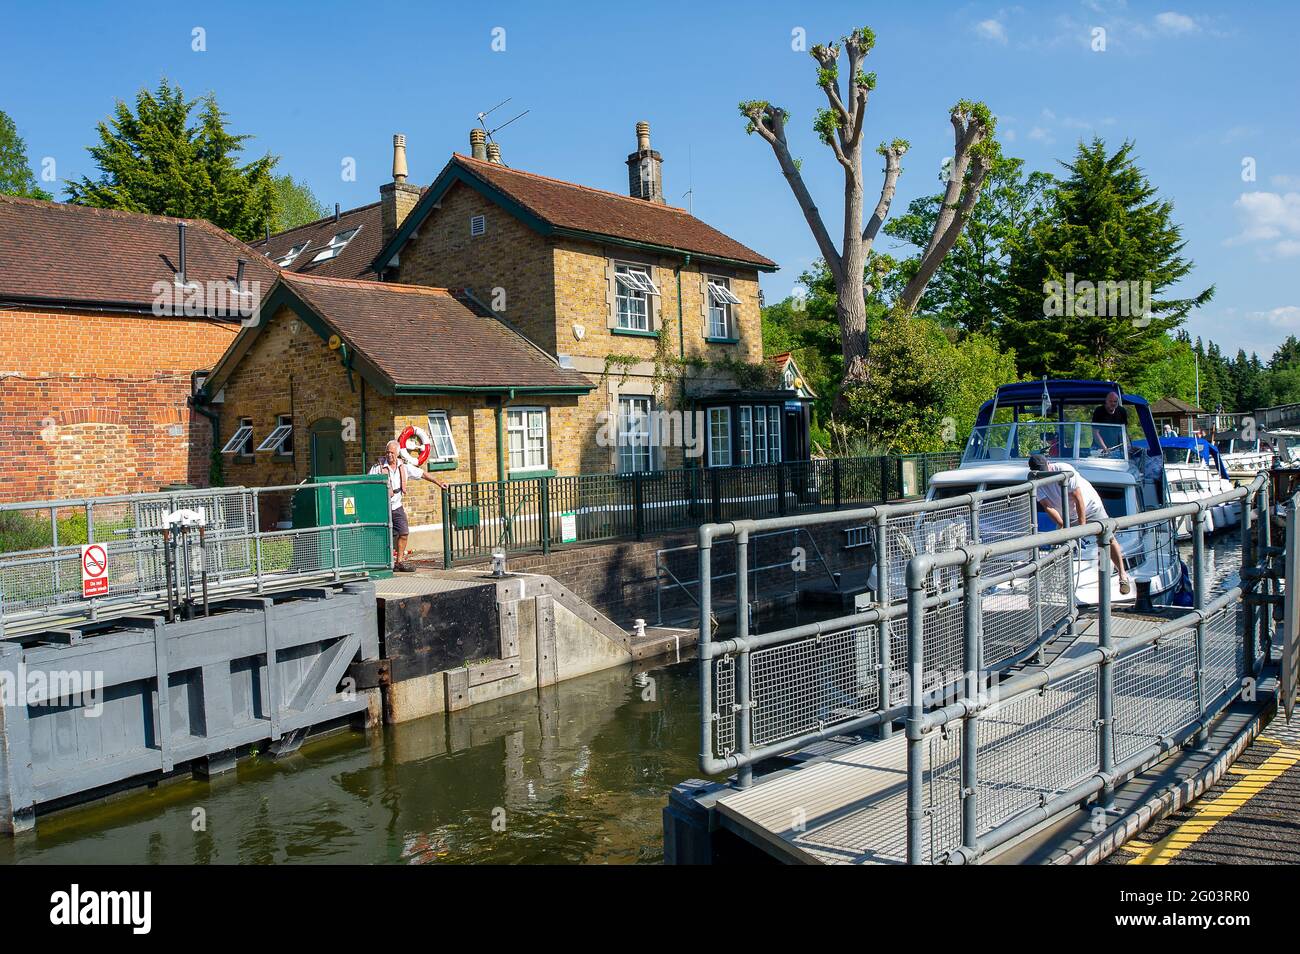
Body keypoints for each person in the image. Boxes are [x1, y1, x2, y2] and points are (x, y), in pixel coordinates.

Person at [1028, 452, 1132, 595]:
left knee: (1107, 538)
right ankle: (1066, 584)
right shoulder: (1035, 481)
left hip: (1090, 507)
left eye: (1044, 468)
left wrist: (1081, 528)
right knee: (1062, 544)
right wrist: (1063, 524)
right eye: (1039, 470)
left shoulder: (1064, 469)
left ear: (1048, 463)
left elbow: (1078, 499)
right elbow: (1048, 506)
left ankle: (1121, 574)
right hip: (1066, 514)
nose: (1043, 472)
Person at [369, 439, 447, 572]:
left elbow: (422, 474)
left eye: (392, 453)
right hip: (382, 507)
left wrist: (438, 482)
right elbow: (367, 483)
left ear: (398, 453)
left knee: (404, 532)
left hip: (396, 507)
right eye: (387, 453)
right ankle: (382, 563)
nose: (389, 455)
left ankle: (399, 562)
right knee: (382, 535)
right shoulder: (377, 468)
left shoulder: (403, 467)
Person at [1091, 391, 1129, 455]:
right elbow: (1095, 432)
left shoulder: (1122, 411)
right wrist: (1104, 448)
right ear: (1106, 401)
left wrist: (1126, 445)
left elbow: (1124, 431)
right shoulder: (1099, 411)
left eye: (1115, 401)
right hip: (1098, 448)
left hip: (1116, 449)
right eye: (1111, 401)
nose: (1113, 403)